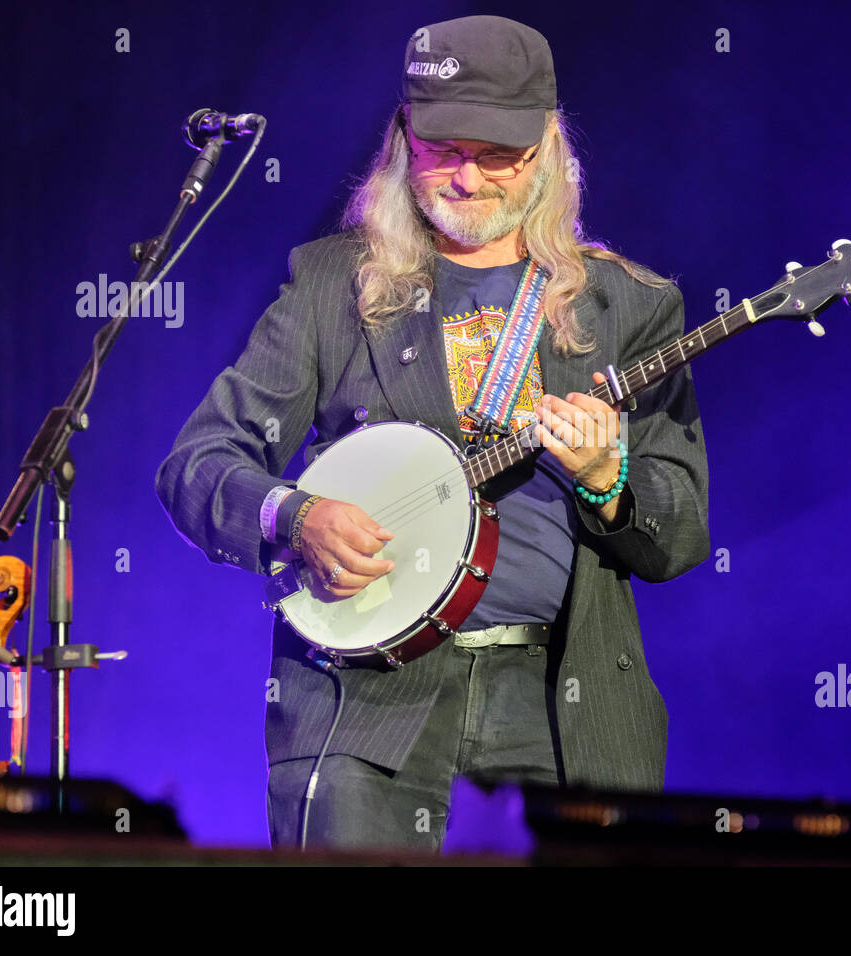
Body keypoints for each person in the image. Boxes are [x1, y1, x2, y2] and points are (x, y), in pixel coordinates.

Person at [154, 14, 709, 853]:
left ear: (548, 149)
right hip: (365, 714)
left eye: (499, 152)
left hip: (563, 715)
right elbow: (199, 463)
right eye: (443, 147)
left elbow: (682, 531)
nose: (467, 176)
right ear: (403, 137)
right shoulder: (332, 285)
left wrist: (609, 479)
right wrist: (294, 518)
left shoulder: (627, 305)